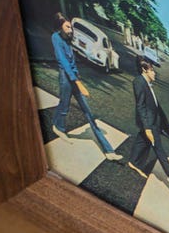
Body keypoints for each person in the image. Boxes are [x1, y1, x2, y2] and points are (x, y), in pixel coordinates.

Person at [49, 16, 120, 159]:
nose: (70, 29)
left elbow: (72, 62)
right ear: (60, 27)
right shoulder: (56, 38)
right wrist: (78, 83)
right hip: (66, 77)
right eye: (67, 27)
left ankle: (109, 151)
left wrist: (78, 78)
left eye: (71, 27)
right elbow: (63, 62)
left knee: (88, 113)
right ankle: (59, 127)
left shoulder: (68, 39)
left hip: (73, 77)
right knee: (64, 106)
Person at [123, 58, 169, 202]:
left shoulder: (147, 83)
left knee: (142, 142)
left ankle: (134, 163)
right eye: (152, 70)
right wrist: (147, 128)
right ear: (144, 70)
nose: (155, 73)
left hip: (154, 123)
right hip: (150, 125)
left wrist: (168, 129)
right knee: (162, 157)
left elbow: (157, 108)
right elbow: (141, 106)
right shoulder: (138, 82)